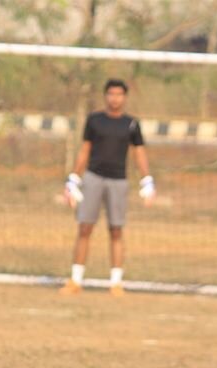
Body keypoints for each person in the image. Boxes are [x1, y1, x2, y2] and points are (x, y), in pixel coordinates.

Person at [59, 78, 155, 297]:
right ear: (105, 96)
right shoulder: (95, 120)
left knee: (116, 230)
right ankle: (75, 280)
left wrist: (147, 179)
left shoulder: (131, 124)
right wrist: (74, 177)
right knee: (85, 227)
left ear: (125, 97)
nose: (115, 98)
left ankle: (116, 282)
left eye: (119, 94)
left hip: (118, 180)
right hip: (93, 177)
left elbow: (139, 152)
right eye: (111, 94)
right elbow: (85, 149)